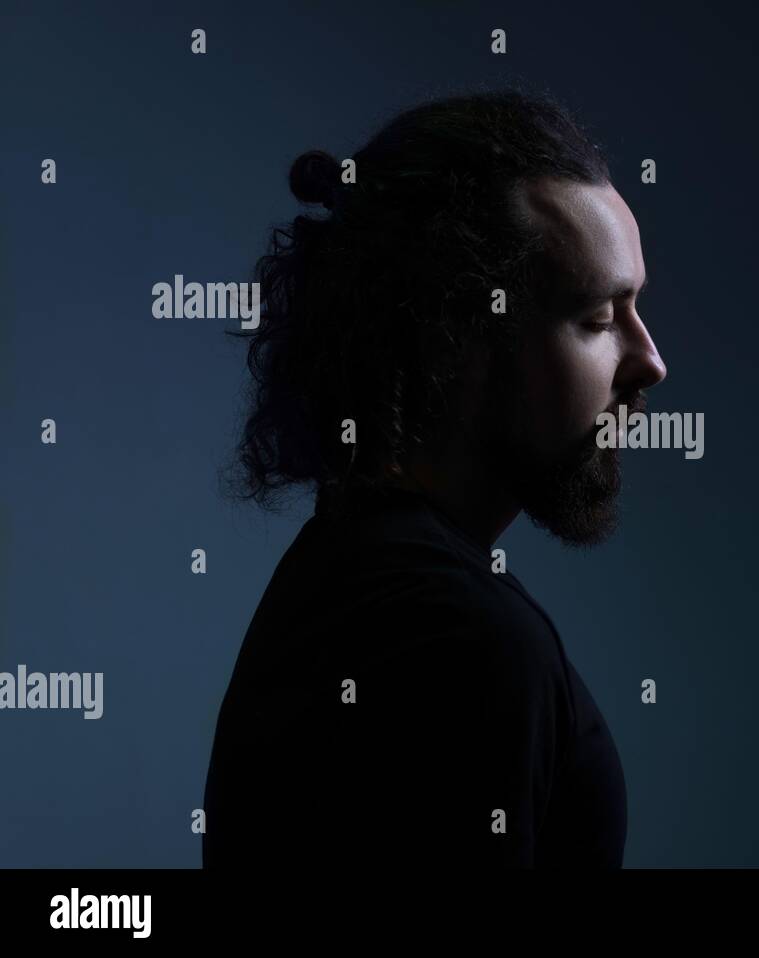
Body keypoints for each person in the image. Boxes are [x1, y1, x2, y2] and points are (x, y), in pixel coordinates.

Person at [202, 87, 667, 869]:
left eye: (637, 308)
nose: (650, 359)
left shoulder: (349, 581)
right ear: (455, 336)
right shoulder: (458, 635)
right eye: (596, 318)